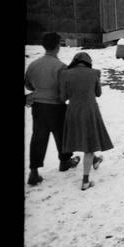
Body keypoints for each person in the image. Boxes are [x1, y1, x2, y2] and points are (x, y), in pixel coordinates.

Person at [24, 32, 79, 186]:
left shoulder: (33, 65)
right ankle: (65, 161)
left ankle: (34, 171)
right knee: (62, 134)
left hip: (38, 106)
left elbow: (28, 84)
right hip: (56, 106)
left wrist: (39, 90)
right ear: (58, 46)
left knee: (38, 137)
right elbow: (65, 88)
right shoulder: (61, 67)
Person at [59, 52, 112, 191]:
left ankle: (95, 160)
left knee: (84, 140)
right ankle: (85, 181)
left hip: (73, 111)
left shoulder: (65, 74)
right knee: (89, 146)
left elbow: (62, 97)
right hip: (90, 111)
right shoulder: (94, 73)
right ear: (89, 62)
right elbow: (98, 93)